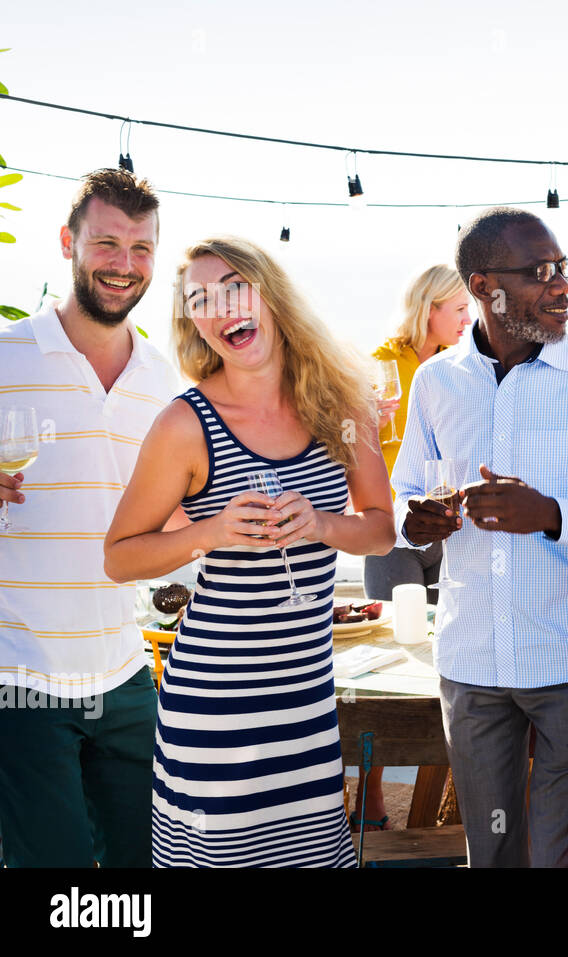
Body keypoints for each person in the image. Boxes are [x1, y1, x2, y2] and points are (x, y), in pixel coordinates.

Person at [392, 207, 568, 867]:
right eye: (539, 273)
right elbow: (407, 494)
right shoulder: (436, 383)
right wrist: (418, 518)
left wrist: (549, 512)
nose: (560, 288)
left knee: (558, 854)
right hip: (471, 661)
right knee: (490, 852)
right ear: (485, 285)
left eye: (561, 269)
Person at [103, 236, 395, 867]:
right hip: (214, 710)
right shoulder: (184, 424)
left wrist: (320, 524)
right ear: (194, 324)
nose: (220, 306)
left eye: (234, 286)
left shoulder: (343, 405)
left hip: (307, 703)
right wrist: (210, 534)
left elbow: (379, 530)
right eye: (199, 299)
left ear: (270, 294)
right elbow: (121, 557)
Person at [0, 169, 174, 867]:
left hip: (125, 670)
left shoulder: (162, 378)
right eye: (107, 243)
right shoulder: (7, 356)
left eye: (141, 249)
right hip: (20, 677)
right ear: (68, 242)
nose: (124, 265)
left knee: (151, 862)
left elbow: (169, 516)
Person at [354, 265, 470, 833]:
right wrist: (364, 422)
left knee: (445, 652)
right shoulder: (382, 362)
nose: (468, 318)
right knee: (392, 653)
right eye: (458, 309)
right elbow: (348, 441)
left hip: (447, 526)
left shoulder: (463, 368)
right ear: (429, 308)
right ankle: (372, 797)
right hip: (394, 530)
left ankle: (444, 798)